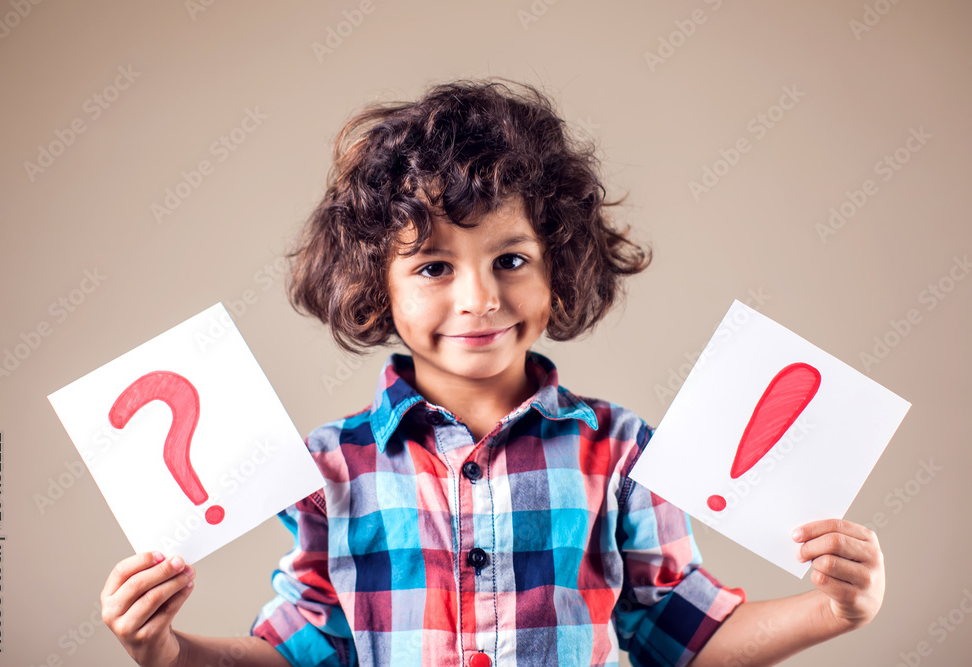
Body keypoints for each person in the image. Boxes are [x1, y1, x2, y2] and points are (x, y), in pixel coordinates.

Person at [100, 79, 885, 667]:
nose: (478, 297)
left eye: (510, 259)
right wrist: (164, 649)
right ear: (378, 286)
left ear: (560, 270)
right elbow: (309, 651)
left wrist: (834, 608)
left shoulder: (620, 451)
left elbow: (681, 636)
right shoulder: (329, 470)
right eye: (435, 265)